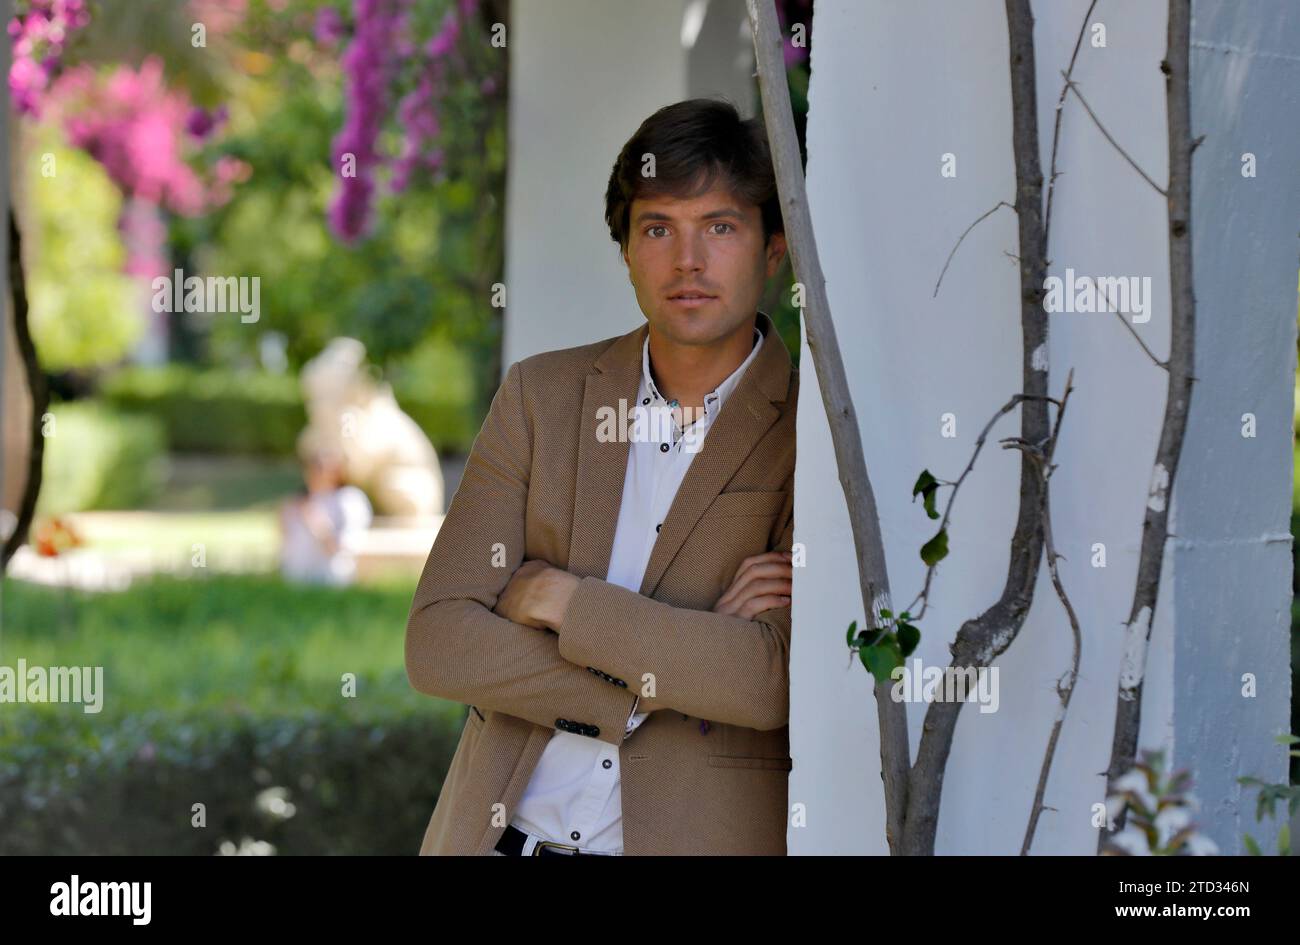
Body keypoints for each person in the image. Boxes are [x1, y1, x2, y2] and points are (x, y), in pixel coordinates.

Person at [406, 97, 797, 855]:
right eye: (658, 228)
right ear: (625, 249)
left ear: (772, 249)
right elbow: (439, 641)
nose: (689, 261)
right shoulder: (540, 398)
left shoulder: (810, 433)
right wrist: (664, 679)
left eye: (720, 227)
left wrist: (565, 600)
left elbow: (767, 682)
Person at [279, 445, 373, 586]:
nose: (316, 474)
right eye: (313, 468)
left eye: (322, 469)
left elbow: (345, 547)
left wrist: (318, 525)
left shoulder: (349, 500)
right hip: (296, 576)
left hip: (331, 576)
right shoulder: (299, 501)